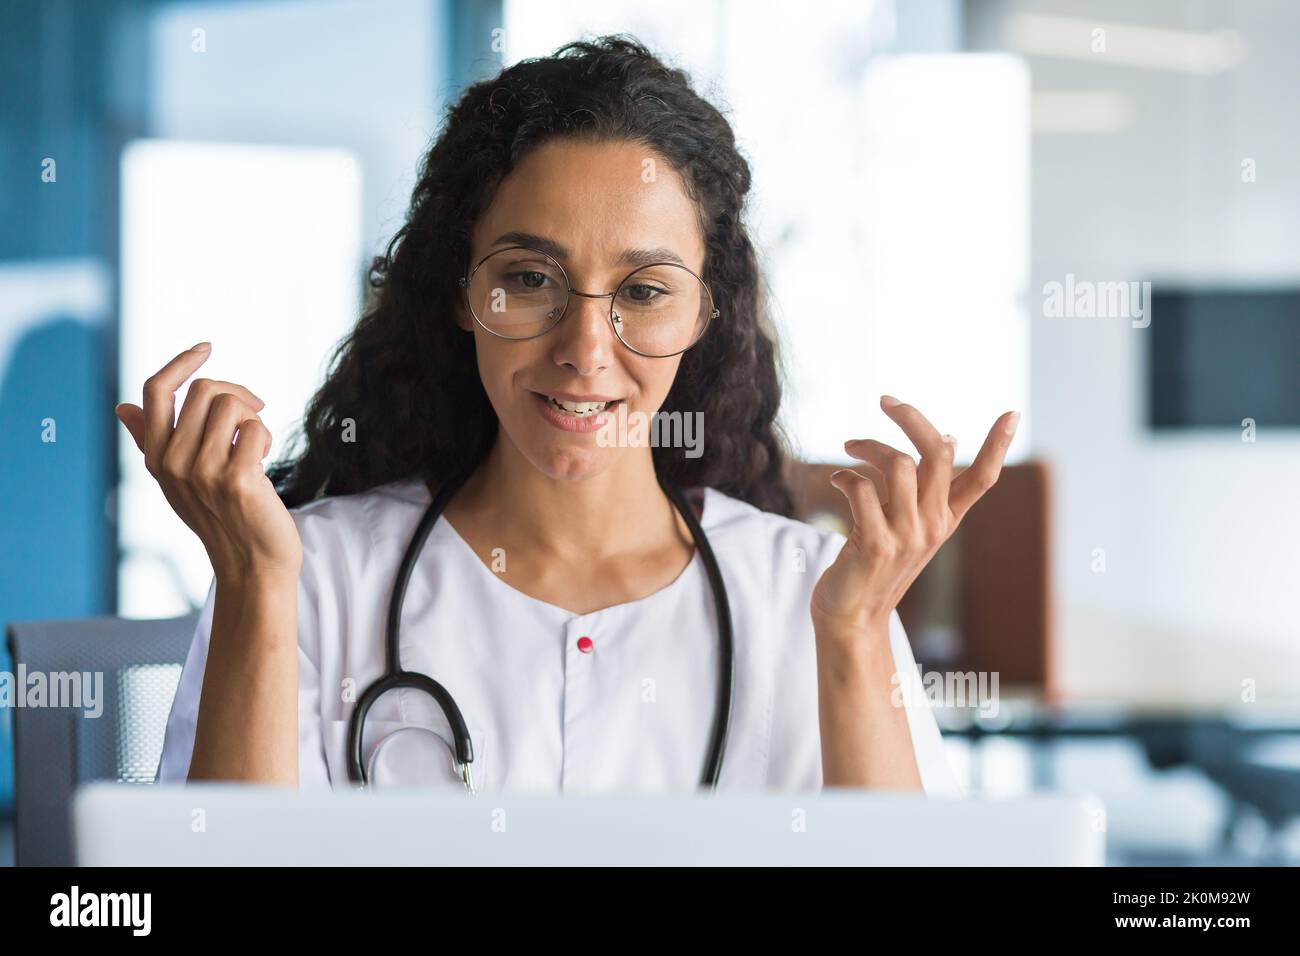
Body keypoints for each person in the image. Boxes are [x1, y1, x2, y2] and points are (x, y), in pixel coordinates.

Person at [118, 36, 1016, 795]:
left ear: (705, 314)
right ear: (461, 293)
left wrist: (855, 638)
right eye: (530, 279)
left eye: (645, 289)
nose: (586, 348)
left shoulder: (815, 594)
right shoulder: (307, 575)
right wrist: (252, 582)